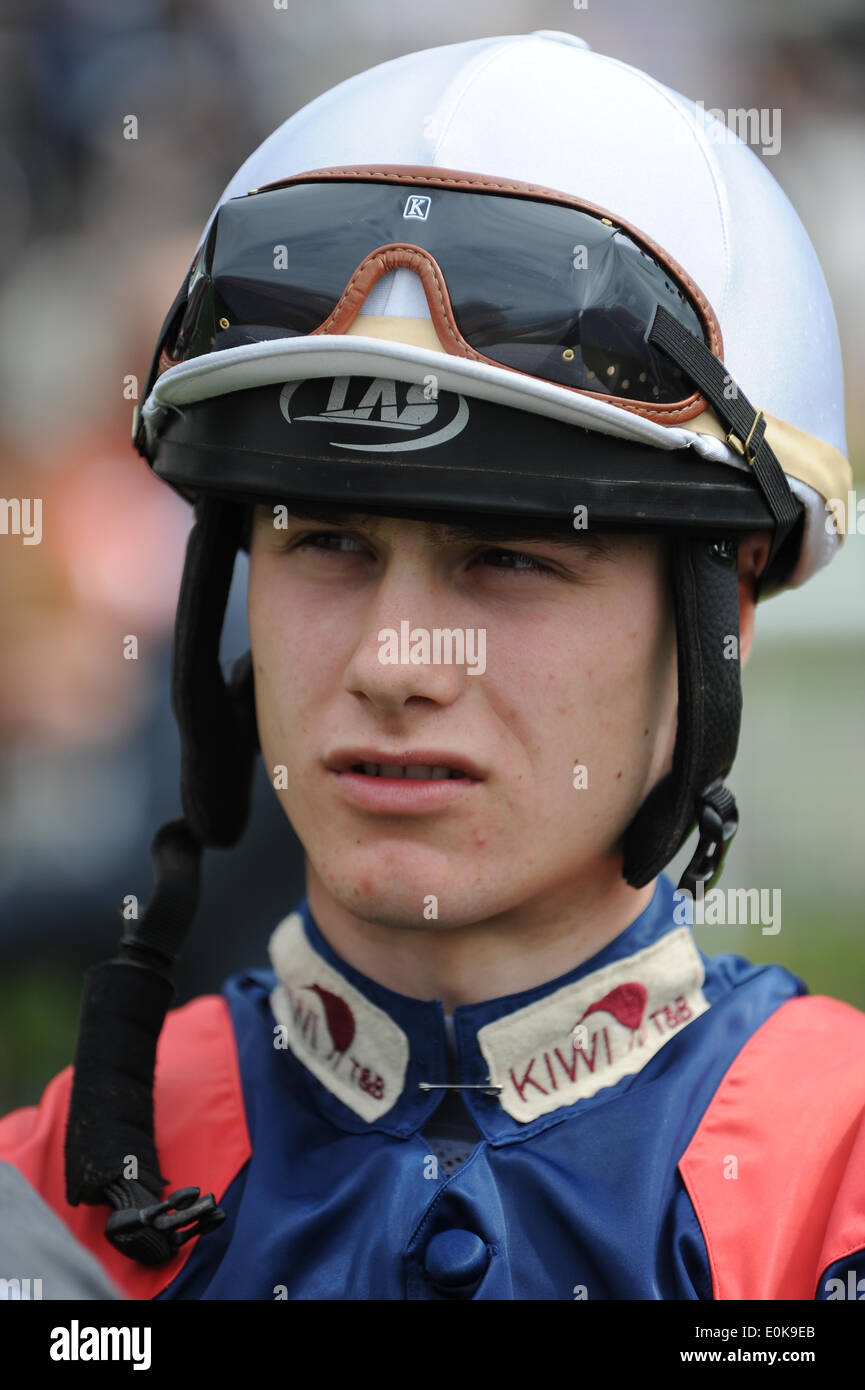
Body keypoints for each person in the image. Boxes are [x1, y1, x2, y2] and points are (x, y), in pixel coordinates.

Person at [1, 30, 863, 1302]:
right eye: (330, 542)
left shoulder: (832, 1175)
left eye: (508, 560)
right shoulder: (56, 1195)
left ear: (719, 617)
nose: (395, 662)